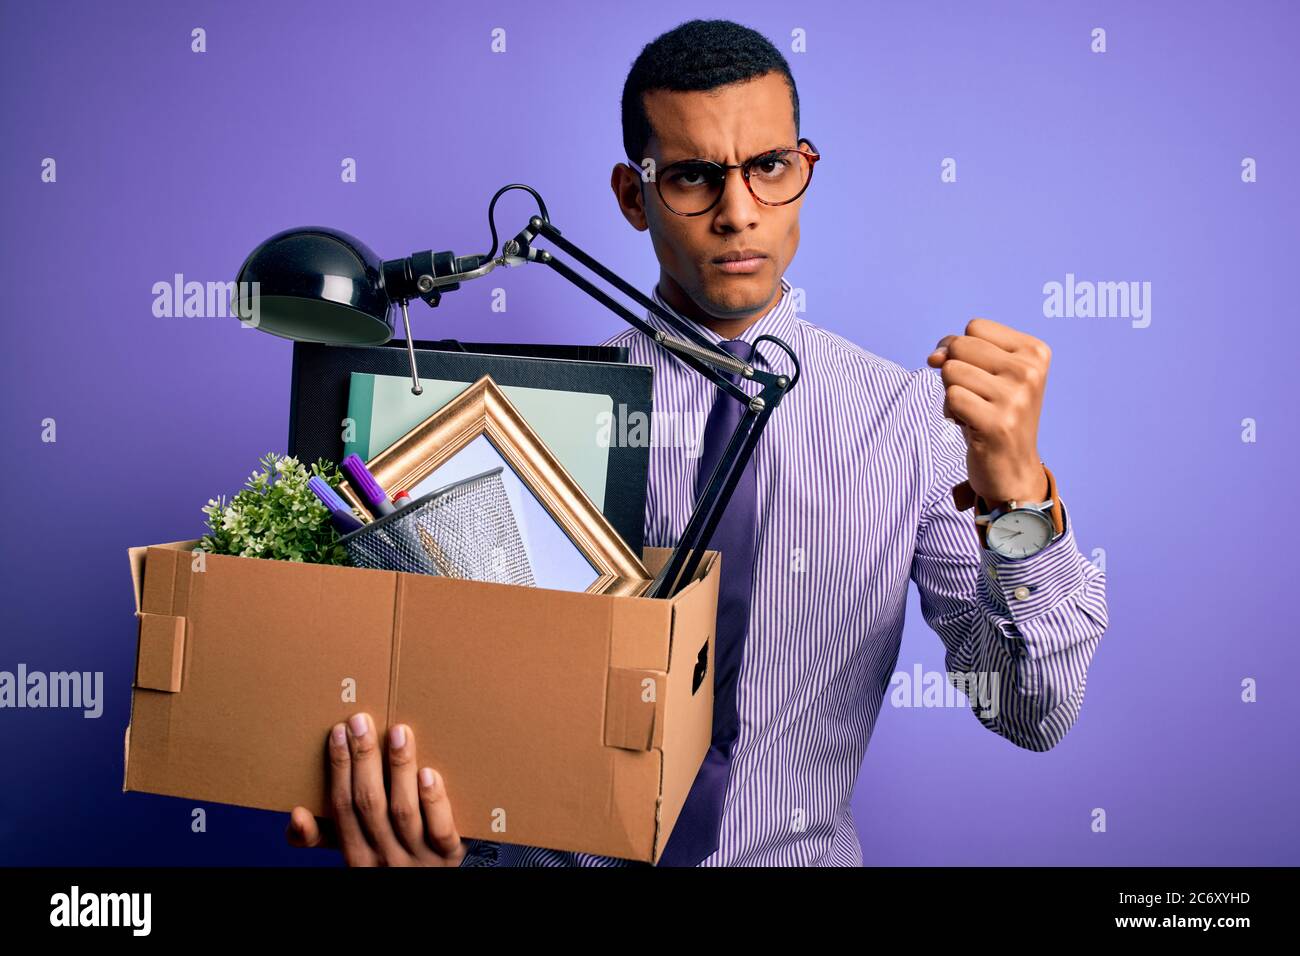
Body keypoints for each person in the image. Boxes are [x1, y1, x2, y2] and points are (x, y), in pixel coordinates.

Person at [286, 18, 1109, 867]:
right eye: (691, 177)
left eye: (770, 168)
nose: (738, 213)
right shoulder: (521, 422)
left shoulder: (905, 423)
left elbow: (1029, 710)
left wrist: (1018, 499)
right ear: (632, 194)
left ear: (805, 170)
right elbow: (456, 694)